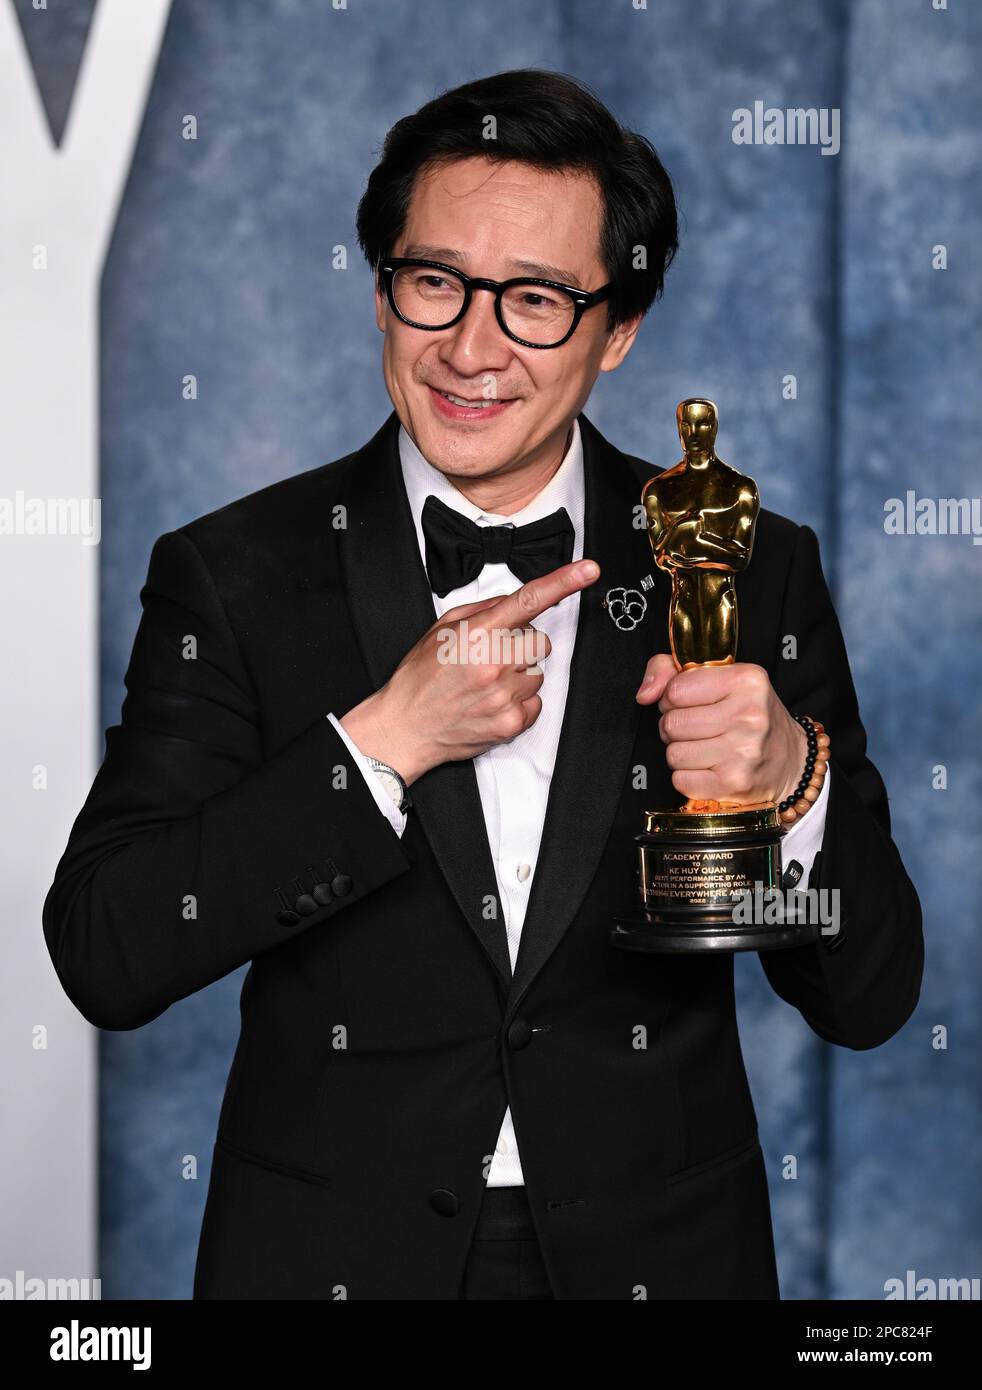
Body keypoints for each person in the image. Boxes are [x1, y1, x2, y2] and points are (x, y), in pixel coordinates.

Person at [42, 68, 923, 1300]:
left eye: (537, 301)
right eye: (435, 282)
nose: (470, 346)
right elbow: (106, 951)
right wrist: (383, 743)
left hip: (663, 1265)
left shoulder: (750, 566)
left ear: (619, 328)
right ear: (383, 287)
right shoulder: (233, 574)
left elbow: (870, 994)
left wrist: (794, 789)